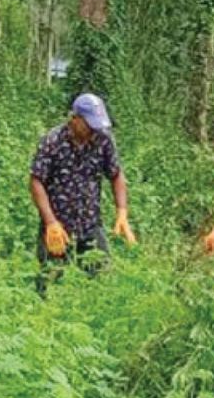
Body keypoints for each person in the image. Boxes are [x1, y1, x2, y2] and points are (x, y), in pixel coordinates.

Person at [29, 93, 136, 296]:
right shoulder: (52, 141)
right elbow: (36, 182)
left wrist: (122, 212)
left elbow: (116, 174)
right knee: (49, 284)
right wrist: (50, 222)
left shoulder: (103, 139)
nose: (93, 131)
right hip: (58, 227)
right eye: (89, 125)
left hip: (90, 224)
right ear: (75, 119)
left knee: (102, 282)